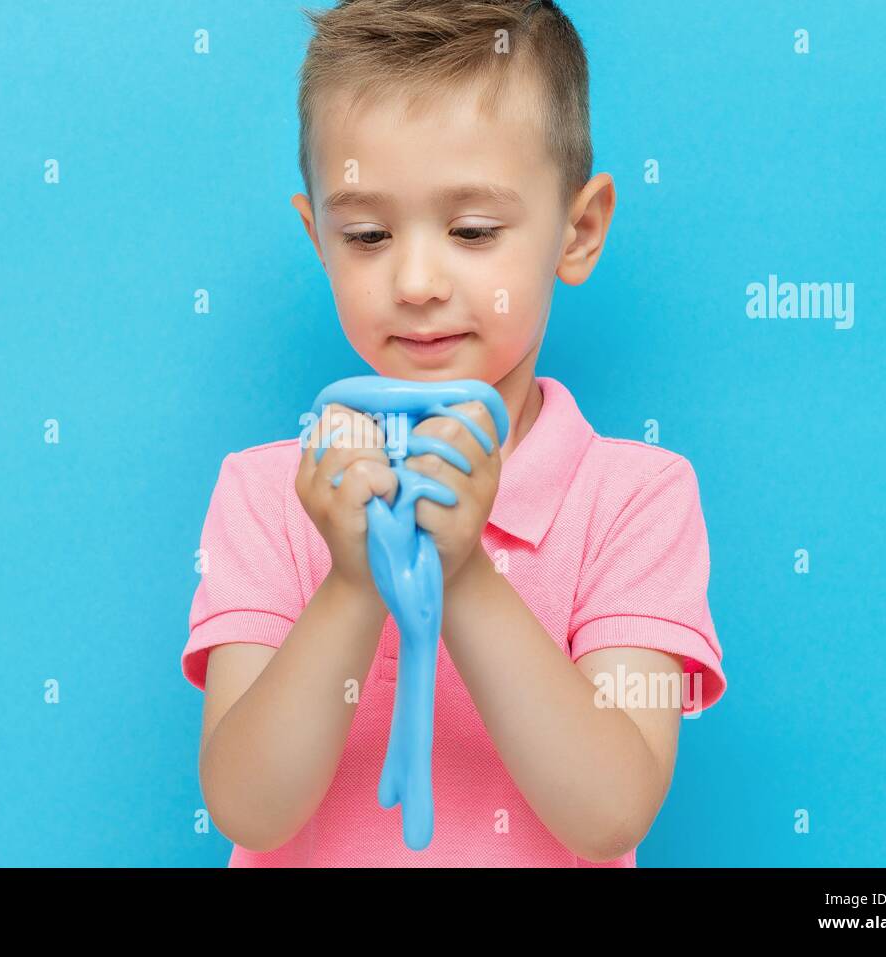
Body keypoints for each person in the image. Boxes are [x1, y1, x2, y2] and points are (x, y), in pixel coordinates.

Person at [181, 0, 727, 866]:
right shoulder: (265, 494)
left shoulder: (636, 499)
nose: (419, 279)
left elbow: (612, 809)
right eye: (367, 233)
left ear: (577, 232)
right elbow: (250, 808)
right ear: (318, 235)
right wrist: (354, 586)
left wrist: (462, 570)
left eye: (472, 230)